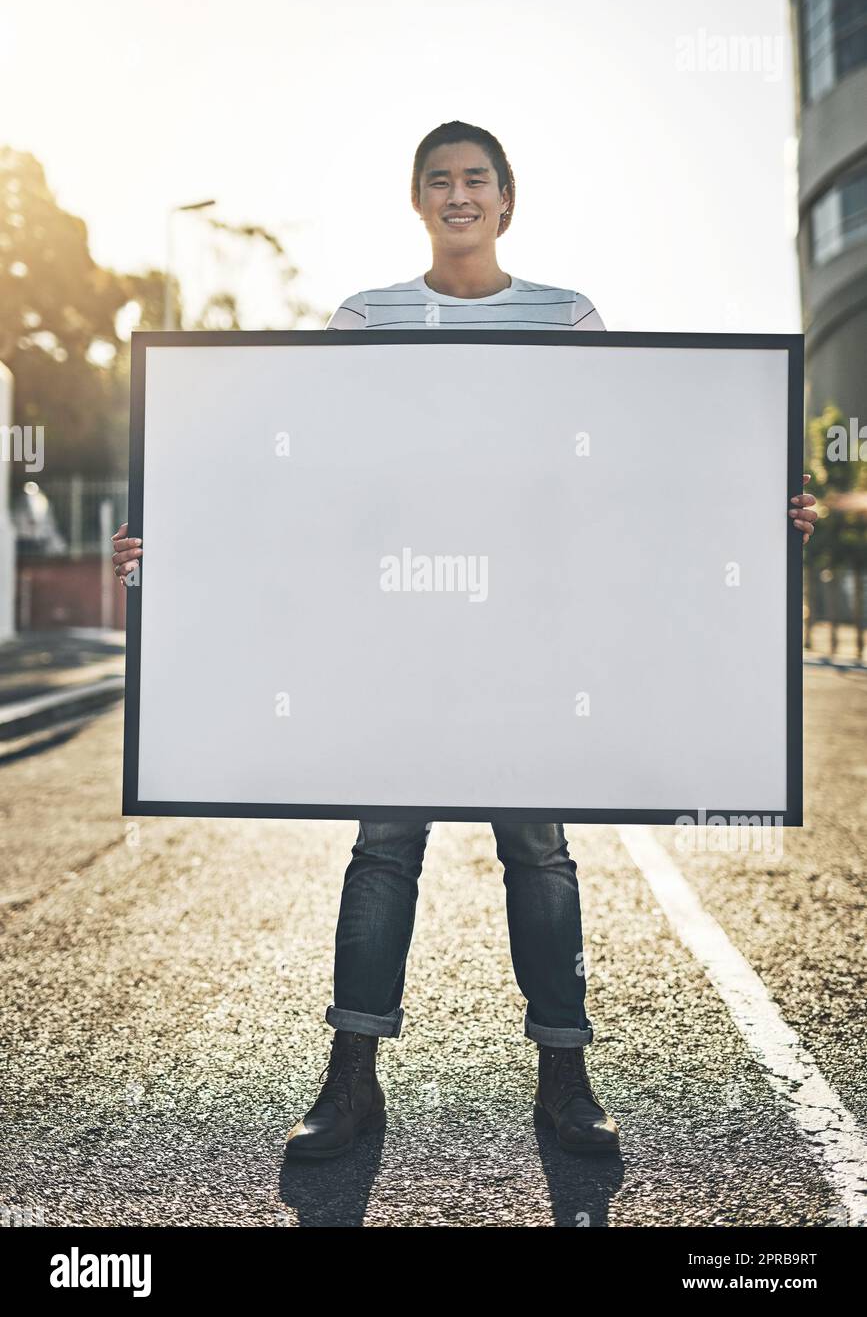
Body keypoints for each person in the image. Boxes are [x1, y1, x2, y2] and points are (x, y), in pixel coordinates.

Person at [111, 119, 819, 1163]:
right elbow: (300, 473)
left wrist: (758, 522)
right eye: (438, 179)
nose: (458, 193)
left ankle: (566, 1081)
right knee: (384, 846)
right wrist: (168, 540)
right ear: (416, 200)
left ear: (505, 200)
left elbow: (626, 468)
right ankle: (351, 1084)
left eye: (475, 178)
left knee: (539, 849)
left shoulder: (566, 315)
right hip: (400, 635)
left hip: (528, 640)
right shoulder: (365, 317)